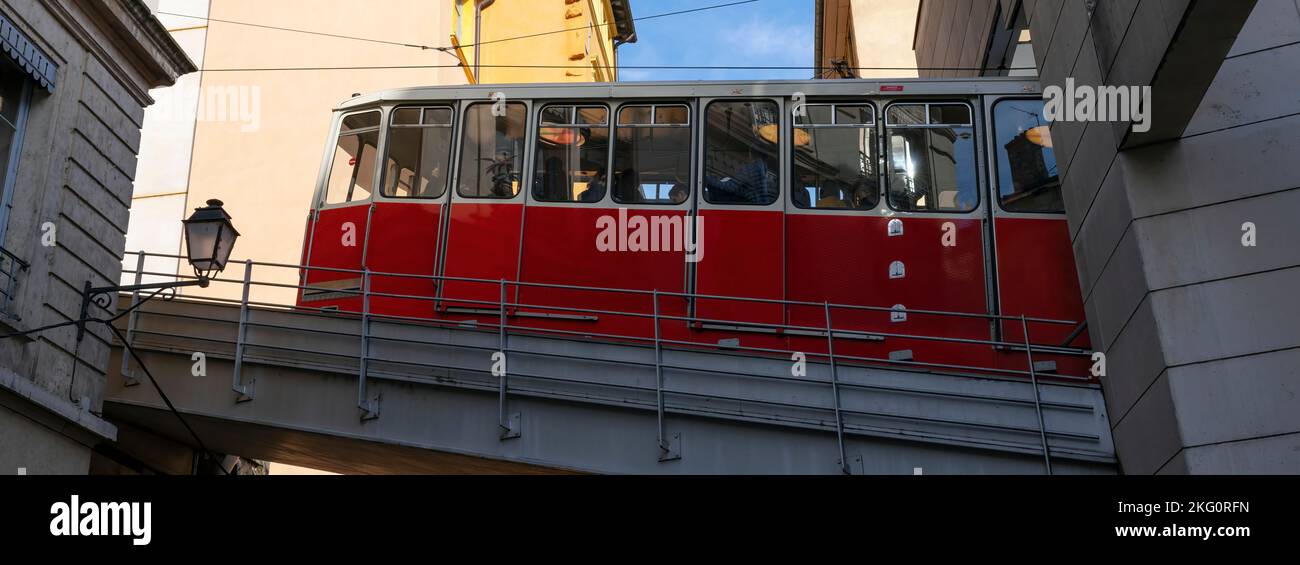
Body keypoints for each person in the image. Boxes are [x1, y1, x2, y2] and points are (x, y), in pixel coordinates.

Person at [705, 147, 778, 204]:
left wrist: (707, 179)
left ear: (751, 154)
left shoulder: (752, 168)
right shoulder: (765, 171)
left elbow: (730, 187)